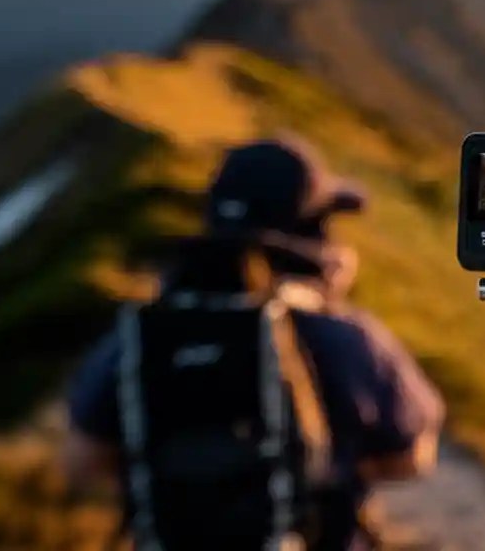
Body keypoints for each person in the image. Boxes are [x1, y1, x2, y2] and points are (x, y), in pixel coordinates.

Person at [65, 137, 445, 550]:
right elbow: (413, 456)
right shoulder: (342, 333)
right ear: (312, 230)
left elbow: (83, 459)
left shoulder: (148, 330)